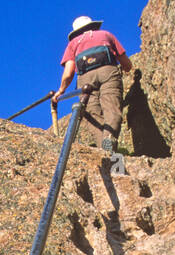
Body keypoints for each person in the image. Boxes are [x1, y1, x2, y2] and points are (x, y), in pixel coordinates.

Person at [52, 15, 133, 153]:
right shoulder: (106, 35)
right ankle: (109, 138)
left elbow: (68, 73)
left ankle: (104, 148)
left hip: (85, 79)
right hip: (108, 72)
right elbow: (126, 63)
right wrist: (126, 68)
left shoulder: (73, 44)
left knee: (92, 114)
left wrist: (61, 90)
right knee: (112, 108)